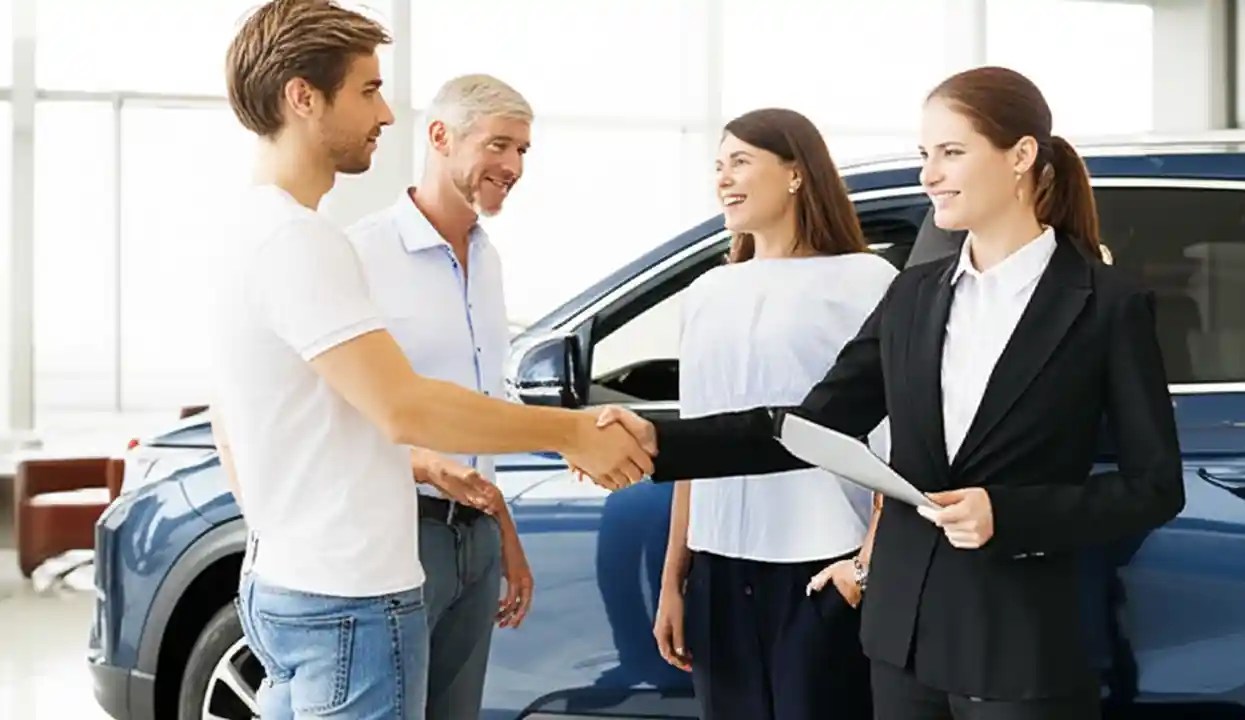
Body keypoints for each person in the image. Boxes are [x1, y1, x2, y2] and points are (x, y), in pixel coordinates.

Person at [589, 66, 1185, 720]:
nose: (930, 173)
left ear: (1019, 157)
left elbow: (1154, 487)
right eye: (925, 155)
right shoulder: (915, 295)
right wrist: (659, 439)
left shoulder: (1105, 307)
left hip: (1019, 645)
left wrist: (1009, 514)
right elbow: (809, 426)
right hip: (903, 644)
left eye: (951, 153)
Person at [211, 3, 652, 718]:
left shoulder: (254, 230)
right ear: (302, 96)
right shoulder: (308, 243)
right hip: (346, 594)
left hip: (298, 580)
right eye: (367, 91)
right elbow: (403, 405)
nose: (386, 114)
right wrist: (570, 432)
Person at [652, 108, 895, 720]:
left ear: (795, 173)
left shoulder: (864, 281)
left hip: (821, 567)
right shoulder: (707, 291)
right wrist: (674, 579)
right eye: (718, 165)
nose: (723, 179)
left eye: (740, 161)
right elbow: (697, 440)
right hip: (719, 570)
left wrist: (863, 568)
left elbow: (899, 439)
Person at [345, 73, 535, 720]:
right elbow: (338, 415)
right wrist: (429, 467)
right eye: (500, 145)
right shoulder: (364, 254)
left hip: (474, 541)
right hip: (401, 532)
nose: (512, 166)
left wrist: (501, 530)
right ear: (439, 136)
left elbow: (481, 404)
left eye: (523, 153)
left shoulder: (489, 260)